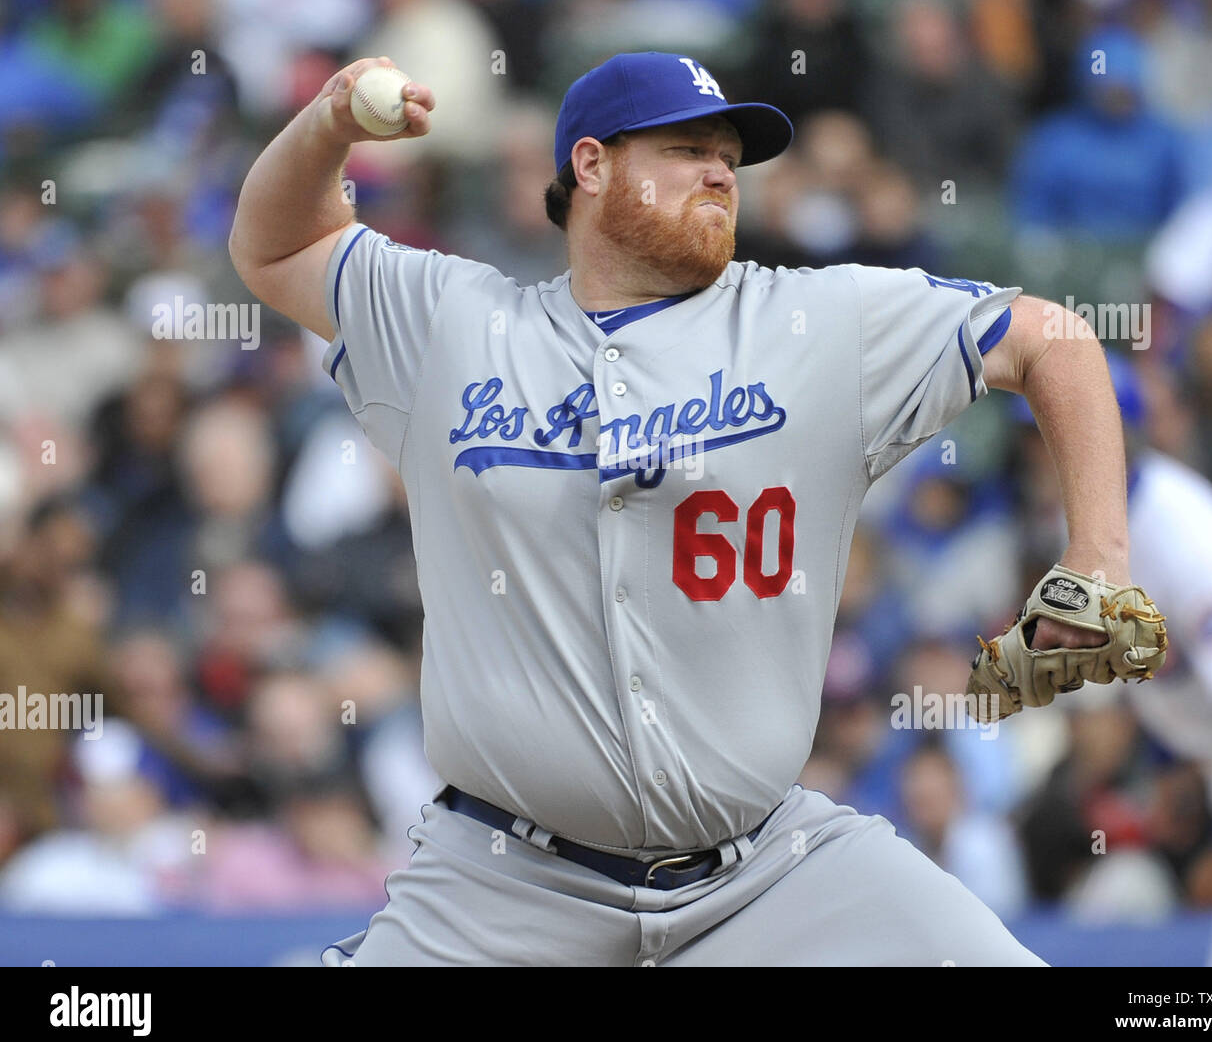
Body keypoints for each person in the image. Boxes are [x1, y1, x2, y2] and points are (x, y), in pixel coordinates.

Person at [228, 50, 1140, 966]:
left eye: (729, 157)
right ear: (591, 166)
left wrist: (1098, 553)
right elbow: (273, 247)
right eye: (688, 147)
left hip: (770, 876)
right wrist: (331, 123)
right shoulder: (452, 322)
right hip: (502, 889)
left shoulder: (817, 322)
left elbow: (1052, 338)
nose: (720, 172)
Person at [1011, 356, 1212, 966]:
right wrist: (1173, 765)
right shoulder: (1095, 531)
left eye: (1050, 430)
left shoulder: (1189, 541)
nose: (1036, 450)